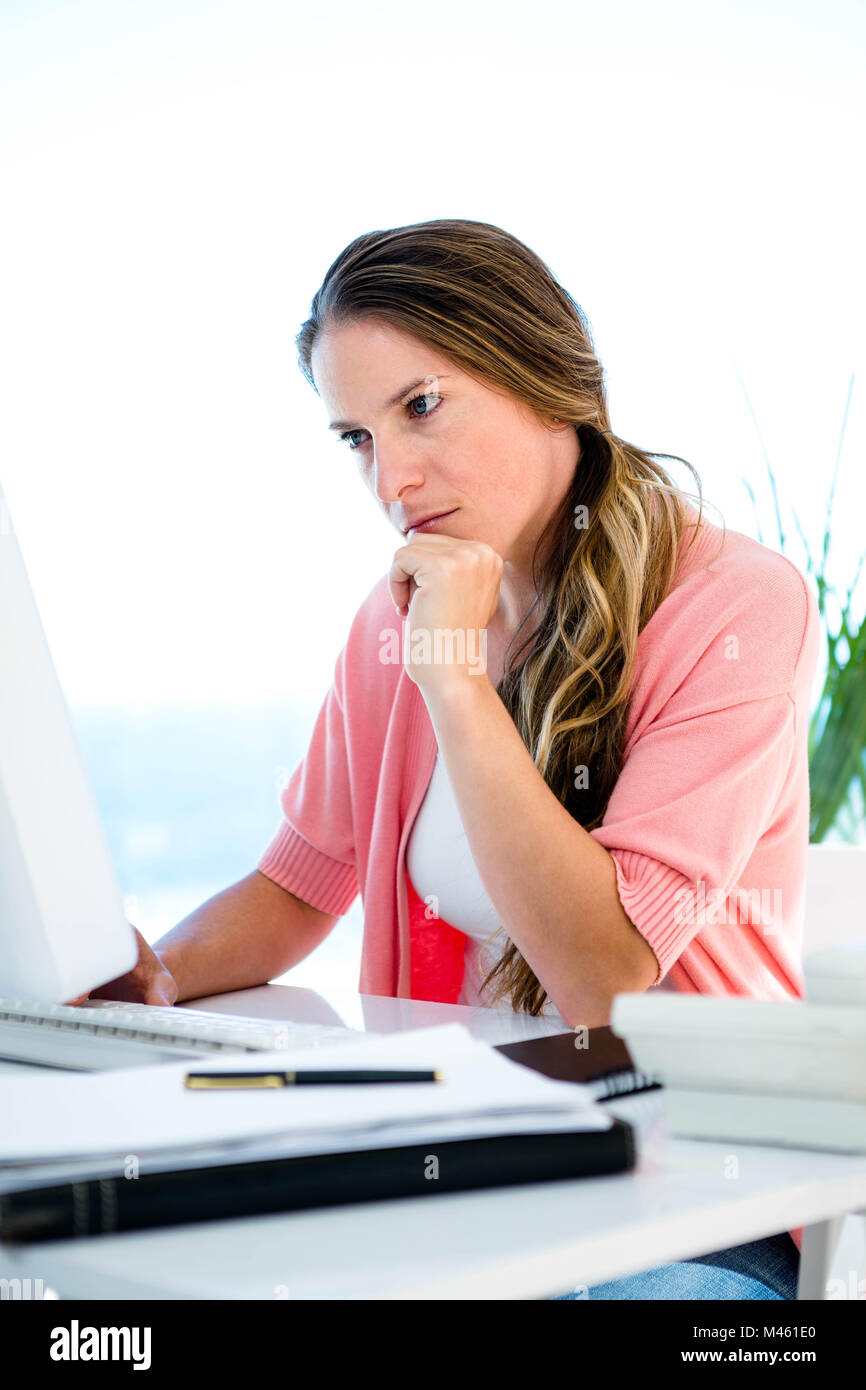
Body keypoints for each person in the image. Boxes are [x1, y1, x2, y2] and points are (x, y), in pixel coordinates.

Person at [73, 219, 817, 1300]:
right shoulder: (397, 618)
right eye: (355, 438)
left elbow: (607, 982)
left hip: (698, 1190)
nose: (389, 478)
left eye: (419, 406)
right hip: (474, 1169)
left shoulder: (736, 606)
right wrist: (162, 976)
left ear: (541, 373)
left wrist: (457, 683)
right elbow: (299, 878)